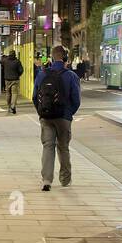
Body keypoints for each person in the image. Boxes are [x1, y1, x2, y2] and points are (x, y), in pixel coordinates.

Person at [35, 45, 81, 191]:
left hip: (46, 116)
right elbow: (76, 100)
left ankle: (47, 180)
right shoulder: (71, 76)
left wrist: (42, 112)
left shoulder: (42, 74)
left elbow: (35, 96)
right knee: (63, 147)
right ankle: (65, 179)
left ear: (52, 57)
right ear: (65, 58)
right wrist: (68, 114)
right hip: (64, 117)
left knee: (48, 146)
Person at [1, 49, 24, 114]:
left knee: (8, 93)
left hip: (7, 80)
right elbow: (21, 70)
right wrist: (18, 75)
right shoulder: (17, 61)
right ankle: (13, 106)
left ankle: (8, 106)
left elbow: (0, 61)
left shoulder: (5, 61)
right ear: (15, 55)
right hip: (15, 80)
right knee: (14, 93)